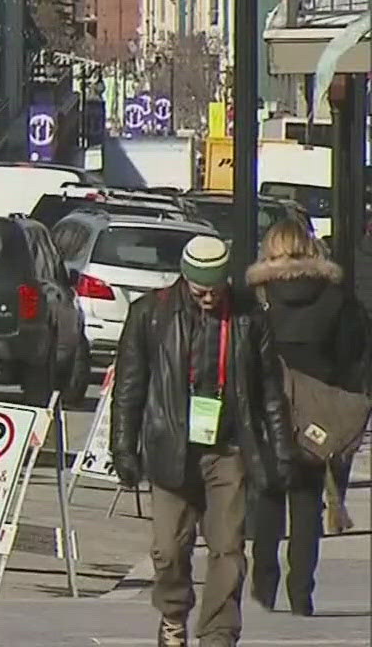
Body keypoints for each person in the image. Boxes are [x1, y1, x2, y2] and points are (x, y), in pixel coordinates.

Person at [112, 235, 296, 647]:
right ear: (185, 279)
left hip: (228, 449)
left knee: (228, 549)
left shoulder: (249, 317)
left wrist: (281, 451)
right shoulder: (151, 314)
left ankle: (218, 633)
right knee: (168, 550)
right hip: (169, 446)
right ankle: (173, 616)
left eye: (215, 289)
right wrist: (122, 447)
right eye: (200, 290)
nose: (209, 297)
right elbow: (129, 386)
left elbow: (270, 392)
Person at [245, 220, 369, 615]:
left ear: (271, 248)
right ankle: (302, 594)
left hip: (268, 412)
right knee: (307, 505)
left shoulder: (256, 296)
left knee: (266, 502)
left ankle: (264, 591)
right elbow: (356, 358)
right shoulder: (337, 299)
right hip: (320, 418)